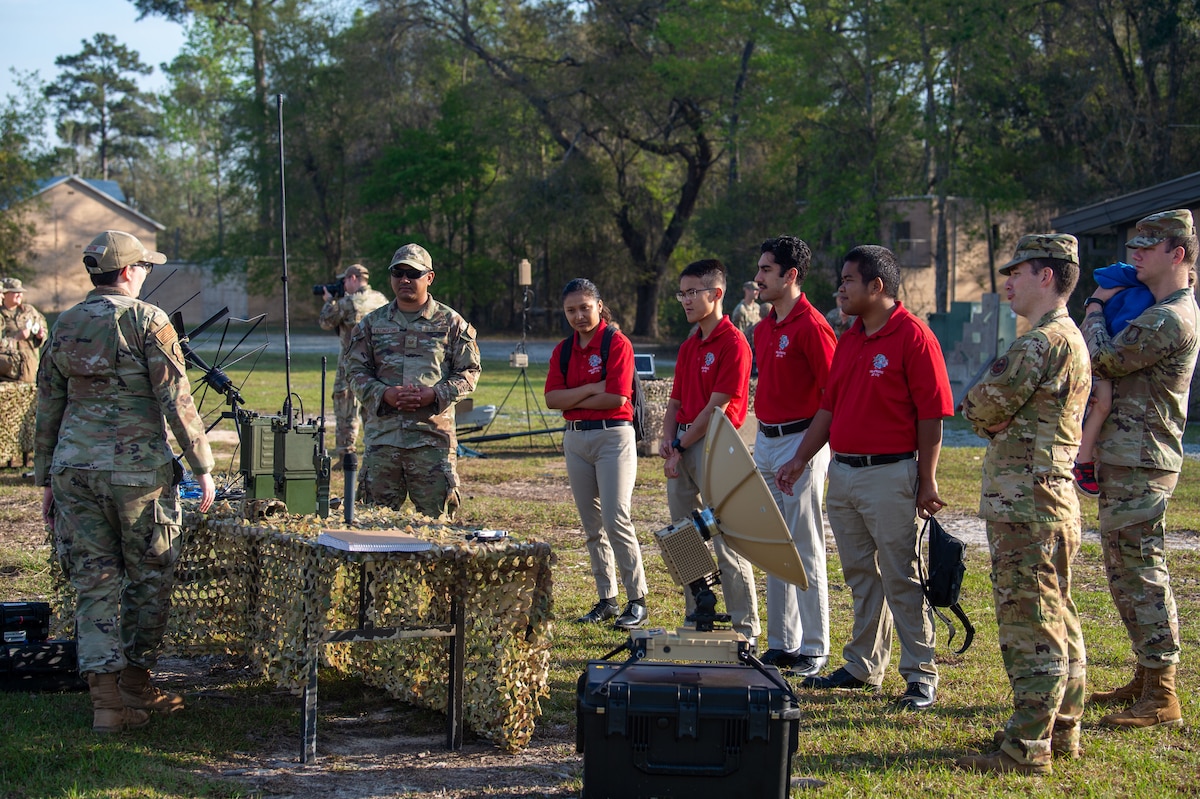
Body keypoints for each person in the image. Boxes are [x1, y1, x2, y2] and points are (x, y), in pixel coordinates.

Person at [34, 230, 216, 733]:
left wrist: (45, 477)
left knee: (93, 585)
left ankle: (105, 705)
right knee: (150, 578)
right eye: (145, 268)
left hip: (74, 470)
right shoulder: (147, 319)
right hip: (137, 475)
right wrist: (202, 468)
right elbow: (176, 399)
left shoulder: (64, 322)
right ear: (130, 271)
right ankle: (135, 683)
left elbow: (47, 404)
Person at [776, 244, 952, 711]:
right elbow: (829, 407)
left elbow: (932, 417)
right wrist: (799, 459)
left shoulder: (914, 337)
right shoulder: (851, 336)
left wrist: (927, 480)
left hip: (890, 474)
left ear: (877, 286)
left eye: (848, 280)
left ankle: (920, 674)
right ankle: (862, 666)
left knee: (902, 576)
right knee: (859, 574)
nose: (840, 288)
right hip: (844, 473)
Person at [957, 234, 1091, 775]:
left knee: (1030, 624)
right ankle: (1061, 730)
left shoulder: (1038, 344)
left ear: (1048, 276)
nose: (1007, 281)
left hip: (1026, 505)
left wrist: (987, 411)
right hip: (1050, 499)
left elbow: (979, 405)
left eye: (1019, 271)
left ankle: (1026, 748)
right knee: (1059, 616)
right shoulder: (1070, 337)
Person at [1081, 209, 1199, 729]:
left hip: (1143, 460)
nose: (1135, 254)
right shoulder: (1158, 307)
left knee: (1142, 573)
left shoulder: (1171, 317)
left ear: (1178, 255)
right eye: (1135, 244)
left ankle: (1163, 694)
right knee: (1126, 571)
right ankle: (1148, 678)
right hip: (1128, 457)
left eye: (1148, 247)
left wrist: (1092, 307)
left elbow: (1102, 358)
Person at [344, 243, 481, 521]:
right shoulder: (371, 323)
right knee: (373, 529)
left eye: (413, 273)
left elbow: (470, 371)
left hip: (431, 443)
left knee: (437, 529)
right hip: (383, 441)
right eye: (398, 273)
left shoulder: (450, 322)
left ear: (429, 277)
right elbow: (354, 370)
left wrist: (436, 394)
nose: (404, 279)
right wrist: (384, 394)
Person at [751, 235, 836, 677]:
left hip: (801, 443)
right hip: (766, 441)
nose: (758, 277)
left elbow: (832, 397)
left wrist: (803, 455)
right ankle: (782, 642)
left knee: (804, 546)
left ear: (791, 276)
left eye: (767, 270)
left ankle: (815, 646)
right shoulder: (763, 328)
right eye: (760, 268)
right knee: (771, 543)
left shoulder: (813, 326)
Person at [660, 259, 758, 643]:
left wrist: (680, 445)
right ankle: (697, 611)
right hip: (682, 445)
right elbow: (675, 402)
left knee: (727, 537)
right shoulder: (689, 345)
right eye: (681, 293)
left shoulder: (734, 343)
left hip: (715, 444)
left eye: (692, 293)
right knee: (682, 535)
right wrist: (669, 441)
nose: (685, 300)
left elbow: (716, 407)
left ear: (716, 295)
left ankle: (743, 628)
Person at [545, 278, 648, 630]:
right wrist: (590, 387)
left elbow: (617, 397)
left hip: (612, 437)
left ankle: (637, 600)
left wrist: (574, 395)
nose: (578, 316)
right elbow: (552, 400)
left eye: (584, 308)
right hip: (576, 439)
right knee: (591, 525)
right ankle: (607, 598)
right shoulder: (563, 350)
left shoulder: (616, 343)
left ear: (599, 306)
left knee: (616, 518)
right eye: (571, 310)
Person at [1071, 262, 1155, 497]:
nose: (1140, 257)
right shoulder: (1134, 282)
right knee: (1102, 402)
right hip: (1100, 347)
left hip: (1103, 344)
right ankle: (1082, 461)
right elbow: (1105, 274)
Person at [317, 263, 388, 458]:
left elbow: (325, 322)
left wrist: (330, 301)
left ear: (354, 278)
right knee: (372, 408)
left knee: (346, 408)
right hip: (376, 365)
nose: (343, 284)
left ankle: (346, 453)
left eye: (345, 280)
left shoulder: (348, 303)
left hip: (350, 364)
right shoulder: (380, 299)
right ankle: (375, 450)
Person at [0, 277, 47, 383]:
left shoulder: (29, 311)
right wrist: (16, 338)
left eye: (21, 292)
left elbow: (43, 329)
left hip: (30, 367)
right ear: (5, 294)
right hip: (8, 373)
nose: (19, 295)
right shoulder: (1, 315)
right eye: (15, 292)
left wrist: (40, 336)